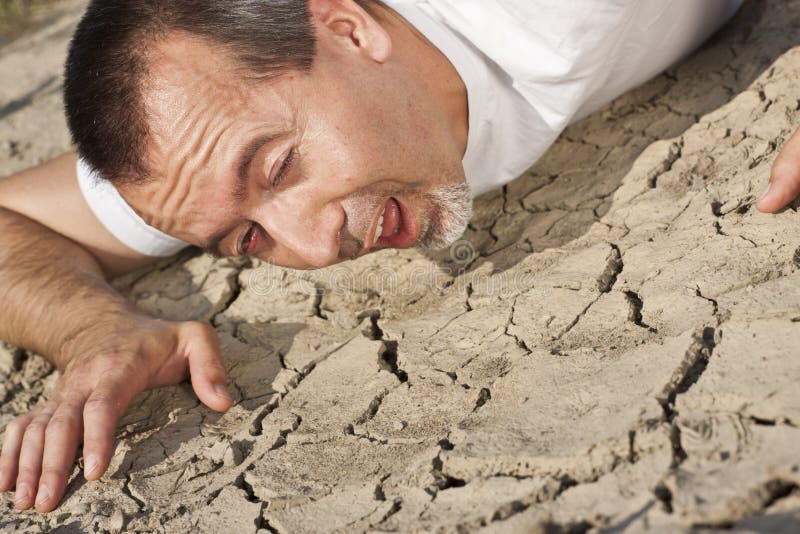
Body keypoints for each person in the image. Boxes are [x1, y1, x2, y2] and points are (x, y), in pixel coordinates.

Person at [0, 0, 795, 514]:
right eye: (249, 241)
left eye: (277, 167)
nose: (316, 245)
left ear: (349, 29)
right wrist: (91, 329)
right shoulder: (201, 133)